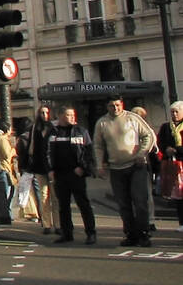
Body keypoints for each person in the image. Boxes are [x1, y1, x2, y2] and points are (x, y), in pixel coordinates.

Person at [93, 98, 157, 247]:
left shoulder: (132, 118)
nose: (115, 108)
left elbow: (148, 135)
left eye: (117, 105)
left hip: (136, 165)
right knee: (123, 203)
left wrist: (142, 153)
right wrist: (99, 165)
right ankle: (131, 234)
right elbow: (98, 145)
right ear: (107, 106)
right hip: (116, 168)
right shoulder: (102, 123)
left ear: (122, 105)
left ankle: (144, 233)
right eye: (111, 105)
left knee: (140, 200)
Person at [48, 106, 97, 244]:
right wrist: (50, 170)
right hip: (60, 174)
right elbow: (46, 152)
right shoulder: (53, 133)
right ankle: (66, 233)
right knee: (63, 206)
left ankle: (91, 233)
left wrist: (83, 167)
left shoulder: (81, 131)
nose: (72, 117)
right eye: (68, 115)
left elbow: (88, 151)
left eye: (73, 114)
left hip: (77, 174)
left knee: (83, 204)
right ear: (60, 116)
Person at [19, 106, 55, 234]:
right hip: (39, 165)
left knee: (55, 197)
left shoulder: (53, 128)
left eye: (46, 112)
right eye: (42, 112)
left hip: (53, 166)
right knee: (44, 195)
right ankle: (46, 224)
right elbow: (32, 147)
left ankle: (59, 224)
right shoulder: (36, 128)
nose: (44, 115)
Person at [157, 102, 183, 228]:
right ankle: (181, 222)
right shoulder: (166, 127)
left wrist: (178, 150)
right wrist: (166, 149)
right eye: (172, 111)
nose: (174, 114)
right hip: (172, 164)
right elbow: (160, 142)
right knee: (178, 196)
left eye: (177, 111)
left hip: (181, 160)